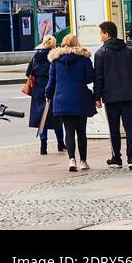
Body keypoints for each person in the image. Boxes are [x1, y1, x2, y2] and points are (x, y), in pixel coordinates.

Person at [93, 20, 132, 170]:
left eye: (101, 33)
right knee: (130, 127)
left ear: (107, 34)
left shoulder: (100, 54)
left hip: (111, 97)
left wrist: (97, 97)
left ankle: (116, 158)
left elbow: (99, 78)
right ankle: (131, 158)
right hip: (129, 95)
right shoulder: (131, 51)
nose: (100, 36)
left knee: (114, 128)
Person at [46, 33, 96, 172]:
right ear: (77, 44)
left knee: (68, 131)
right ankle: (83, 161)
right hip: (80, 98)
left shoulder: (56, 61)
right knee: (81, 132)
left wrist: (48, 95)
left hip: (62, 99)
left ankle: (71, 159)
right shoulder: (84, 59)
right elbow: (89, 78)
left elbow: (51, 82)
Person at [26, 35, 65, 154]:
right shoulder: (56, 56)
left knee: (41, 118)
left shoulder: (36, 56)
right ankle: (60, 143)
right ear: (54, 44)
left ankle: (43, 146)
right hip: (53, 89)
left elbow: (28, 73)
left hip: (38, 90)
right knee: (56, 117)